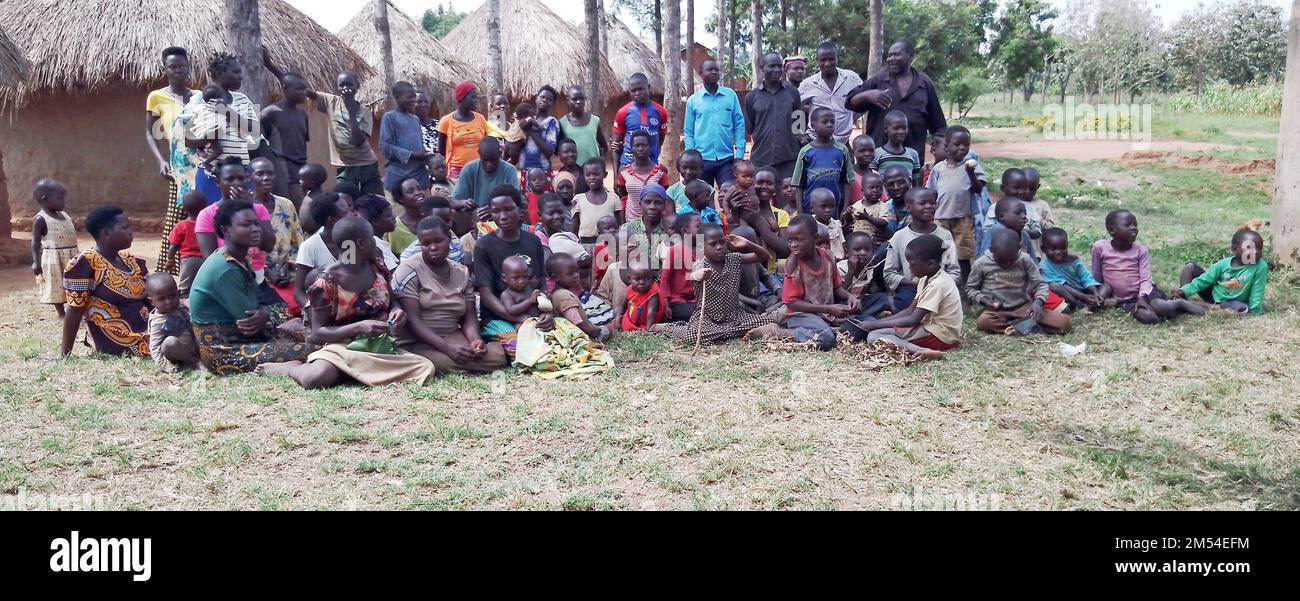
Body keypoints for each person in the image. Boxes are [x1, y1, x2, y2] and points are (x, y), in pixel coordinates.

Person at [256, 217, 433, 388]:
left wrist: (396, 311)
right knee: (315, 378)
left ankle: (354, 372)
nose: (375, 241)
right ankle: (292, 369)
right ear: (361, 244)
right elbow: (316, 334)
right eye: (371, 238)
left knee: (425, 367)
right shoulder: (326, 282)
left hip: (379, 347)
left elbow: (393, 302)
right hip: (342, 349)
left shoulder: (377, 266)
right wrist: (358, 328)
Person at [190, 201, 316, 374]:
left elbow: (260, 308)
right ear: (226, 229)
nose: (256, 229)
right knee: (316, 349)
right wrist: (266, 316)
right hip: (224, 353)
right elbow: (251, 322)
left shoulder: (237, 259)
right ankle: (278, 369)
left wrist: (265, 315)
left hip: (244, 340)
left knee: (309, 335)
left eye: (256, 223)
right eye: (246, 224)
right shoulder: (224, 269)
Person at [394, 217, 509, 375]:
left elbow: (469, 317)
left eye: (438, 241)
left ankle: (465, 366)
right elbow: (413, 321)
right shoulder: (408, 270)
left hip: (452, 335)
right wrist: (447, 349)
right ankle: (458, 366)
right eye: (426, 244)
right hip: (417, 341)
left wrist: (475, 340)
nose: (433, 247)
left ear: (449, 239)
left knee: (498, 357)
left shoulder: (461, 272)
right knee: (446, 363)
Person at [651, 224, 774, 344]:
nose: (719, 247)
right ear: (701, 247)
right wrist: (698, 276)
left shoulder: (734, 259)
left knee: (766, 320)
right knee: (692, 336)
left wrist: (748, 244)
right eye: (713, 244)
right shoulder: (700, 264)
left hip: (735, 316)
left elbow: (764, 256)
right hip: (708, 320)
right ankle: (668, 328)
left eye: (722, 242)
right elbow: (693, 277)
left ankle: (733, 331)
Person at [59, 206, 149, 357]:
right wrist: (65, 354)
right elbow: (74, 310)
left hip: (148, 328)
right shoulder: (85, 263)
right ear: (106, 233)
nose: (131, 232)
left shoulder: (130, 261)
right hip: (117, 340)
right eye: (125, 227)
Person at [855, 235, 962, 360]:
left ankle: (923, 351)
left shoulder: (938, 284)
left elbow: (913, 319)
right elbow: (910, 310)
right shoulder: (926, 279)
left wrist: (875, 325)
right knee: (880, 331)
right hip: (932, 330)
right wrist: (878, 323)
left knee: (873, 336)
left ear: (930, 263)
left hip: (940, 336)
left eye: (912, 264)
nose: (910, 269)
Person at [759, 216, 856, 350]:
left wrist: (850, 297)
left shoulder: (828, 256)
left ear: (815, 238)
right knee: (826, 338)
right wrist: (829, 309)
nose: (793, 245)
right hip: (800, 314)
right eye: (790, 240)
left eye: (799, 239)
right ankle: (780, 332)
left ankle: (828, 327)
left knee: (856, 327)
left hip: (824, 313)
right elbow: (791, 303)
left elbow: (836, 288)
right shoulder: (793, 266)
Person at [1093, 210, 1205, 324]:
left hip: (1147, 292)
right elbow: (1097, 275)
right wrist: (1098, 294)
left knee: (1160, 306)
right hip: (1126, 300)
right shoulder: (1100, 247)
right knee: (1149, 318)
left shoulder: (1140, 250)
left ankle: (1179, 303)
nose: (1133, 228)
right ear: (1111, 230)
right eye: (1127, 225)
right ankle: (1170, 312)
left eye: (1135, 225)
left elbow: (1145, 278)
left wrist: (1142, 297)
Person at [845, 39, 948, 164]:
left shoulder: (925, 84)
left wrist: (941, 146)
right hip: (879, 159)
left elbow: (938, 125)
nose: (891, 59)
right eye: (889, 55)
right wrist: (868, 95)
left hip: (912, 160)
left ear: (910, 57)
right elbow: (849, 101)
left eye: (896, 54)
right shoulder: (878, 81)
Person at [194, 159, 278, 304]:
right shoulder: (207, 215)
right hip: (227, 280)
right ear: (218, 182)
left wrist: (249, 206)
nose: (237, 183)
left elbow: (268, 245)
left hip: (258, 279)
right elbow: (211, 258)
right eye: (230, 179)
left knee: (283, 316)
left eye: (241, 178)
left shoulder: (258, 209)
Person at [148, 47, 199, 276]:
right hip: (177, 165)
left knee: (203, 214)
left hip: (202, 163)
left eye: (182, 66)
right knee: (176, 216)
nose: (178, 70)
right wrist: (160, 161)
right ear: (165, 69)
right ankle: (167, 270)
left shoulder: (199, 97)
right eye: (173, 67)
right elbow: (149, 133)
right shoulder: (157, 97)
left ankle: (199, 263)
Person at [967, 229, 1071, 335]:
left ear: (1018, 249)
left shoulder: (1024, 259)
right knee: (984, 322)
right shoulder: (981, 263)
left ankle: (1021, 326)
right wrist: (984, 300)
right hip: (997, 311)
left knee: (1064, 323)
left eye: (1012, 260)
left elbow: (1040, 284)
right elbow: (970, 289)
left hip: (1024, 308)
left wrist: (1038, 303)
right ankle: (1024, 327)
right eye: (1002, 261)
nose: (1007, 264)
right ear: (992, 250)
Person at [474, 186, 547, 336]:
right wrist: (520, 318)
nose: (503, 216)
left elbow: (541, 282)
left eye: (508, 209)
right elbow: (487, 295)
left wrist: (548, 312)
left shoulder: (533, 241)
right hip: (498, 316)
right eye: (496, 211)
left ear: (520, 210)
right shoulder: (484, 246)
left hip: (533, 312)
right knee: (519, 344)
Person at [925, 125, 984, 283]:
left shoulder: (971, 166)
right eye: (957, 144)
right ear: (946, 146)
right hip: (941, 218)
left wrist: (971, 174)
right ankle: (944, 283)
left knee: (963, 255)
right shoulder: (938, 169)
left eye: (966, 144)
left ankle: (965, 285)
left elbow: (978, 189)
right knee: (943, 252)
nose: (962, 148)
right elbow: (931, 192)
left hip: (963, 218)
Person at [308, 72, 383, 194]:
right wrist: (272, 67)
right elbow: (302, 89)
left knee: (374, 202)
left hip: (367, 164)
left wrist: (351, 112)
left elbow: (358, 141)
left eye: (350, 84)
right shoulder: (330, 102)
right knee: (344, 201)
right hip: (345, 166)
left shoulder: (364, 112)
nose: (346, 88)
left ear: (357, 86)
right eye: (341, 85)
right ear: (336, 88)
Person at [248, 157, 305, 311]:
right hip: (256, 278)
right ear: (250, 177)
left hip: (286, 275)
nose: (266, 178)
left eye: (270, 173)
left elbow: (297, 244)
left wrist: (287, 267)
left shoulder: (286, 205)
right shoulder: (244, 208)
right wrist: (267, 271)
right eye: (260, 174)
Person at [182, 52, 258, 164]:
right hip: (211, 171)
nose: (241, 76)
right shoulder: (198, 101)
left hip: (240, 170)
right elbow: (187, 141)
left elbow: (255, 131)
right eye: (236, 72)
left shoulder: (242, 99)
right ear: (220, 74)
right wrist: (209, 137)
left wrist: (227, 111)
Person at [1173, 228, 1268, 314]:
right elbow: (1204, 280)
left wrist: (1256, 311)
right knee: (1190, 267)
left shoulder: (1260, 266)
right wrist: (1184, 291)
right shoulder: (1223, 264)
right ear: (1234, 249)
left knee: (1243, 308)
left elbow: (1257, 290)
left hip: (1234, 302)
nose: (1256, 252)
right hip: (1213, 296)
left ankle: (1207, 307)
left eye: (1259, 249)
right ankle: (1181, 299)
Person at [685, 59, 746, 186]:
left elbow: (739, 125)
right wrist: (692, 156)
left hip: (726, 160)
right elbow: (688, 131)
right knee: (702, 199)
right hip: (701, 161)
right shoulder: (693, 101)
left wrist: (739, 155)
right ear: (701, 73)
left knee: (730, 195)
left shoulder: (730, 96)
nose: (713, 72)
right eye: (709, 69)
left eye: (716, 70)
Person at [259, 59, 312, 201]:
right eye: (299, 89)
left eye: (304, 89)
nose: (304, 93)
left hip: (301, 169)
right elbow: (262, 143)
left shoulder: (302, 114)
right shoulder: (270, 113)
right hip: (283, 170)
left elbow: (303, 143)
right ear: (285, 89)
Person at [745, 52, 803, 181]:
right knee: (762, 198)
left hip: (789, 160)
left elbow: (799, 126)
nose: (776, 70)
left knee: (787, 200)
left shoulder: (793, 93)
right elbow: (751, 127)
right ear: (762, 68)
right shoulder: (752, 97)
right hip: (761, 160)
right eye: (771, 66)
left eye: (779, 66)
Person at [294, 192, 354, 308]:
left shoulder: (349, 241)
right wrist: (312, 311)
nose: (352, 214)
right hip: (323, 308)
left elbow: (351, 277)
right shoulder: (310, 247)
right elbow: (299, 292)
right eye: (346, 213)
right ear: (332, 220)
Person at [790, 106, 854, 215]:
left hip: (833, 209)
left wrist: (845, 207)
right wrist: (800, 211)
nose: (829, 125)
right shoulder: (805, 152)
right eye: (825, 122)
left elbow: (847, 181)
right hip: (809, 208)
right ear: (813, 126)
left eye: (832, 122)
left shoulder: (842, 150)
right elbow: (798, 184)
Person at [797, 42, 864, 145]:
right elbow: (795, 108)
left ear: (837, 58)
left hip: (842, 142)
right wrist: (799, 134)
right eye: (823, 60)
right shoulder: (808, 84)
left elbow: (864, 100)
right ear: (817, 61)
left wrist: (851, 118)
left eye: (831, 59)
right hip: (815, 142)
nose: (827, 63)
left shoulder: (851, 78)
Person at [30, 180, 79, 318]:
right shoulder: (41, 219)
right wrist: (36, 261)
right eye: (60, 198)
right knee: (56, 283)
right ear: (45, 199)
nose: (64, 202)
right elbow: (35, 241)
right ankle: (61, 313)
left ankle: (74, 308)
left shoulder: (65, 216)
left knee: (74, 283)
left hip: (71, 255)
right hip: (53, 258)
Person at [547, 253, 615, 341]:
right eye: (570, 273)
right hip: (576, 336)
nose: (576, 275)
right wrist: (597, 331)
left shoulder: (556, 292)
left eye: (576, 271)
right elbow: (579, 324)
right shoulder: (565, 297)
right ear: (555, 277)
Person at [1038, 228, 1107, 313]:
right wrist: (1084, 297)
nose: (1059, 252)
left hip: (1083, 289)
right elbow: (1062, 285)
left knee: (1106, 286)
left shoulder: (1073, 260)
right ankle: (1079, 305)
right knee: (1054, 286)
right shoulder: (1044, 266)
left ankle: (1099, 300)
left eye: (1063, 248)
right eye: (1053, 249)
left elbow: (1085, 277)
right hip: (1068, 295)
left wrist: (1095, 292)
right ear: (1043, 249)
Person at [380, 81, 431, 192]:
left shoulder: (415, 119)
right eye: (409, 97)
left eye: (414, 96)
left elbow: (419, 145)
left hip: (419, 177)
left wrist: (426, 156)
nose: (414, 100)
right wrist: (412, 155)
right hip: (399, 178)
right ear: (397, 98)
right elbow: (385, 147)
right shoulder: (389, 118)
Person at [612, 73, 669, 167]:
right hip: (627, 166)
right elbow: (615, 146)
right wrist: (615, 178)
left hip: (652, 166)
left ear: (649, 88)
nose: (637, 93)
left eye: (640, 89)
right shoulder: (623, 112)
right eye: (633, 91)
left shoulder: (661, 112)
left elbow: (660, 140)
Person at [145, 273, 199, 372]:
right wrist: (168, 367)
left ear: (178, 293)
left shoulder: (180, 307)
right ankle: (194, 363)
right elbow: (155, 348)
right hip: (176, 352)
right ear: (151, 302)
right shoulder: (158, 321)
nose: (168, 302)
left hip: (192, 346)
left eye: (172, 296)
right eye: (162, 299)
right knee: (170, 342)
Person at [450, 138, 521, 213]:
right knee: (453, 213)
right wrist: (464, 203)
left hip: (501, 214)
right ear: (479, 153)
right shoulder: (469, 168)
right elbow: (452, 201)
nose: (489, 164)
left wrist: (495, 209)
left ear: (500, 154)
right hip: (474, 216)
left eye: (493, 160)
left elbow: (516, 201)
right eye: (485, 160)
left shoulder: (509, 170)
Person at [438, 82, 491, 180]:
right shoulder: (446, 121)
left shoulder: (481, 119)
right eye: (472, 97)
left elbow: (486, 145)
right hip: (456, 171)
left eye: (476, 98)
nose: (476, 101)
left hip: (478, 169)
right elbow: (441, 153)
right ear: (461, 98)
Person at [616, 131, 671, 221]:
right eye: (637, 145)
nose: (640, 148)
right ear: (631, 147)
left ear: (650, 147)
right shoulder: (624, 172)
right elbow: (623, 195)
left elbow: (664, 197)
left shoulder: (660, 172)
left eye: (644, 145)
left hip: (655, 220)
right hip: (631, 219)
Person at [168, 191, 207, 297]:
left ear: (184, 209)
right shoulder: (207, 224)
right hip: (206, 259)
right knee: (204, 283)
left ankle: (184, 305)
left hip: (188, 260)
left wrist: (170, 260)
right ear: (204, 207)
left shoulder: (181, 226)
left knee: (185, 287)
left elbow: (173, 245)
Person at [515, 85, 560, 175]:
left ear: (552, 104)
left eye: (549, 99)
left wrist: (530, 131)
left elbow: (549, 151)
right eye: (542, 97)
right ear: (536, 98)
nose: (545, 100)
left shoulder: (551, 122)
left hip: (542, 172)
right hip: (525, 170)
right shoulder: (526, 119)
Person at [573, 158, 620, 243]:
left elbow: (619, 224)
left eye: (596, 174)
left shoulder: (613, 198)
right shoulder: (578, 199)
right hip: (585, 245)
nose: (592, 178)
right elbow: (575, 227)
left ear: (605, 174)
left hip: (608, 244)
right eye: (588, 175)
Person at [559, 85, 608, 166]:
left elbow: (604, 146)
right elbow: (559, 149)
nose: (578, 101)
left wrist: (600, 162)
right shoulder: (562, 123)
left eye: (581, 98)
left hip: (591, 170)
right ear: (568, 101)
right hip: (572, 169)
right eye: (574, 99)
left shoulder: (595, 121)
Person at [353, 193, 401, 272]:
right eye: (388, 215)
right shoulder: (375, 244)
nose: (394, 217)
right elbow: (395, 274)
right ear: (375, 221)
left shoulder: (379, 239)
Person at [871, 111, 922, 185]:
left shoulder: (913, 155)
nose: (901, 131)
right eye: (896, 128)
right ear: (885, 129)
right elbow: (872, 182)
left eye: (904, 128)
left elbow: (915, 183)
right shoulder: (876, 154)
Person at [1022, 167, 1055, 258]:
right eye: (1024, 188)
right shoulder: (1012, 203)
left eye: (1031, 189)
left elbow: (1051, 229)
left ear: (1038, 187)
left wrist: (1040, 220)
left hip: (1036, 254)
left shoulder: (1042, 205)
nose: (1027, 192)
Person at [388, 177, 426, 254]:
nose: (418, 192)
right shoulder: (395, 228)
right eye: (410, 191)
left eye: (419, 188)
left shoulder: (434, 218)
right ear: (401, 198)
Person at [844, 171, 887, 236]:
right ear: (862, 190)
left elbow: (884, 223)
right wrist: (847, 213)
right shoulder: (857, 205)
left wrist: (867, 218)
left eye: (879, 188)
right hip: (857, 240)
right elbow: (847, 220)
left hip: (874, 241)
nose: (875, 190)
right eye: (871, 188)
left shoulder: (883, 206)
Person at [810, 188, 845, 260]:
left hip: (839, 261)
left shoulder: (837, 224)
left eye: (831, 206)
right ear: (812, 208)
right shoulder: (810, 225)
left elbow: (842, 243)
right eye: (823, 207)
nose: (828, 210)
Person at [668, 149, 707, 213]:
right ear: (678, 168)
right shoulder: (672, 191)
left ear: (701, 168)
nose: (688, 172)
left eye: (693, 168)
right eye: (684, 168)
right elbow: (671, 216)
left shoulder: (707, 188)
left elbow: (712, 214)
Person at [297, 164, 328, 234]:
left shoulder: (319, 198)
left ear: (312, 183)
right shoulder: (309, 194)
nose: (299, 181)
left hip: (316, 233)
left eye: (302, 179)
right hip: (306, 234)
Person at [413, 89, 442, 158]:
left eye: (426, 102)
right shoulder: (408, 127)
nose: (423, 104)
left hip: (439, 166)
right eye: (419, 102)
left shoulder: (439, 125)